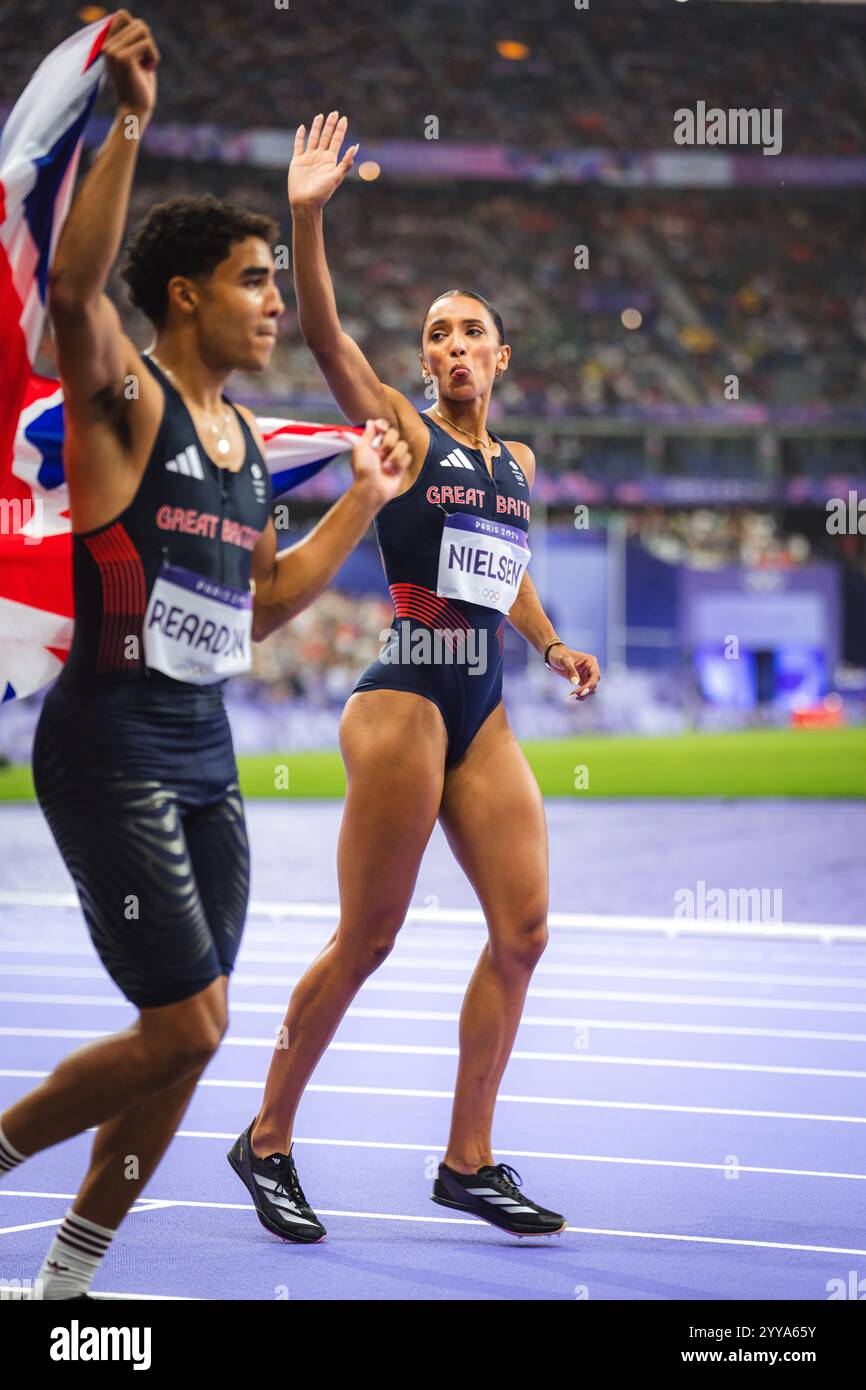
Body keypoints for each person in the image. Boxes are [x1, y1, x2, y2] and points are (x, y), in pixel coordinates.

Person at [0, 22, 410, 1298]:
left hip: (201, 745)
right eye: (254, 279)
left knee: (185, 1047)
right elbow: (72, 295)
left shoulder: (243, 445)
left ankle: (66, 1286)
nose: (274, 303)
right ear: (185, 296)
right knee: (189, 1022)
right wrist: (127, 114)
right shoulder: (128, 404)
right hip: (108, 741)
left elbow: (254, 610)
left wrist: (359, 498)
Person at [228, 112, 601, 1242]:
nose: (447, 346)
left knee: (523, 929)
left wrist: (547, 643)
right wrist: (305, 214)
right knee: (370, 936)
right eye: (434, 333)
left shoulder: (515, 461)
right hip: (401, 696)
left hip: (479, 697)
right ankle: (267, 1137)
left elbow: (502, 573)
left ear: (498, 357)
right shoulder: (402, 427)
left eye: (467, 332)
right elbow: (332, 342)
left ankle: (466, 1159)